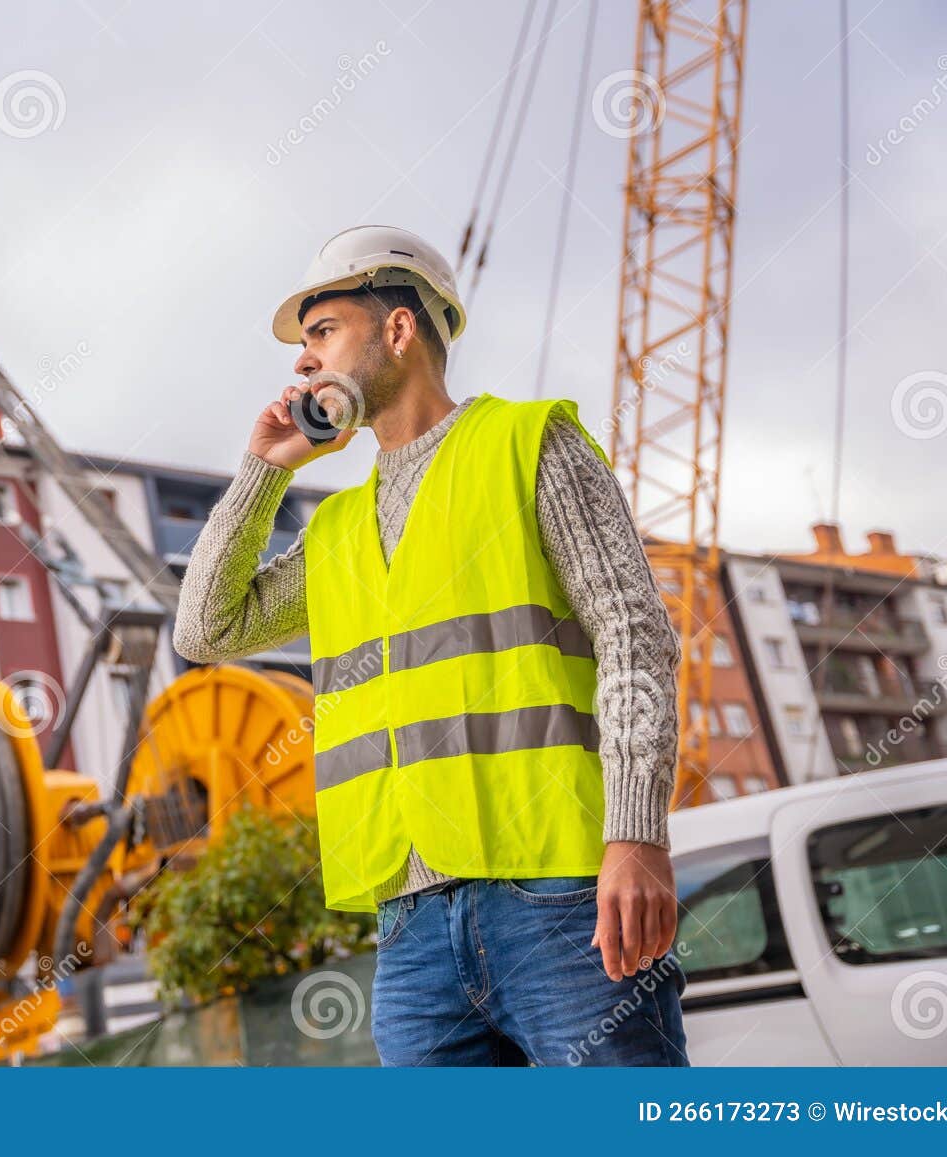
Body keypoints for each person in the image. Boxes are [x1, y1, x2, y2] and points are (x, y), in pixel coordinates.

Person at [173, 225, 690, 1066]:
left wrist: (636, 834)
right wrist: (264, 468)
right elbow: (204, 628)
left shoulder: (527, 444)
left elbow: (635, 636)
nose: (305, 362)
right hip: (410, 933)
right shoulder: (339, 527)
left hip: (562, 898)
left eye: (323, 332)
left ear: (399, 330)